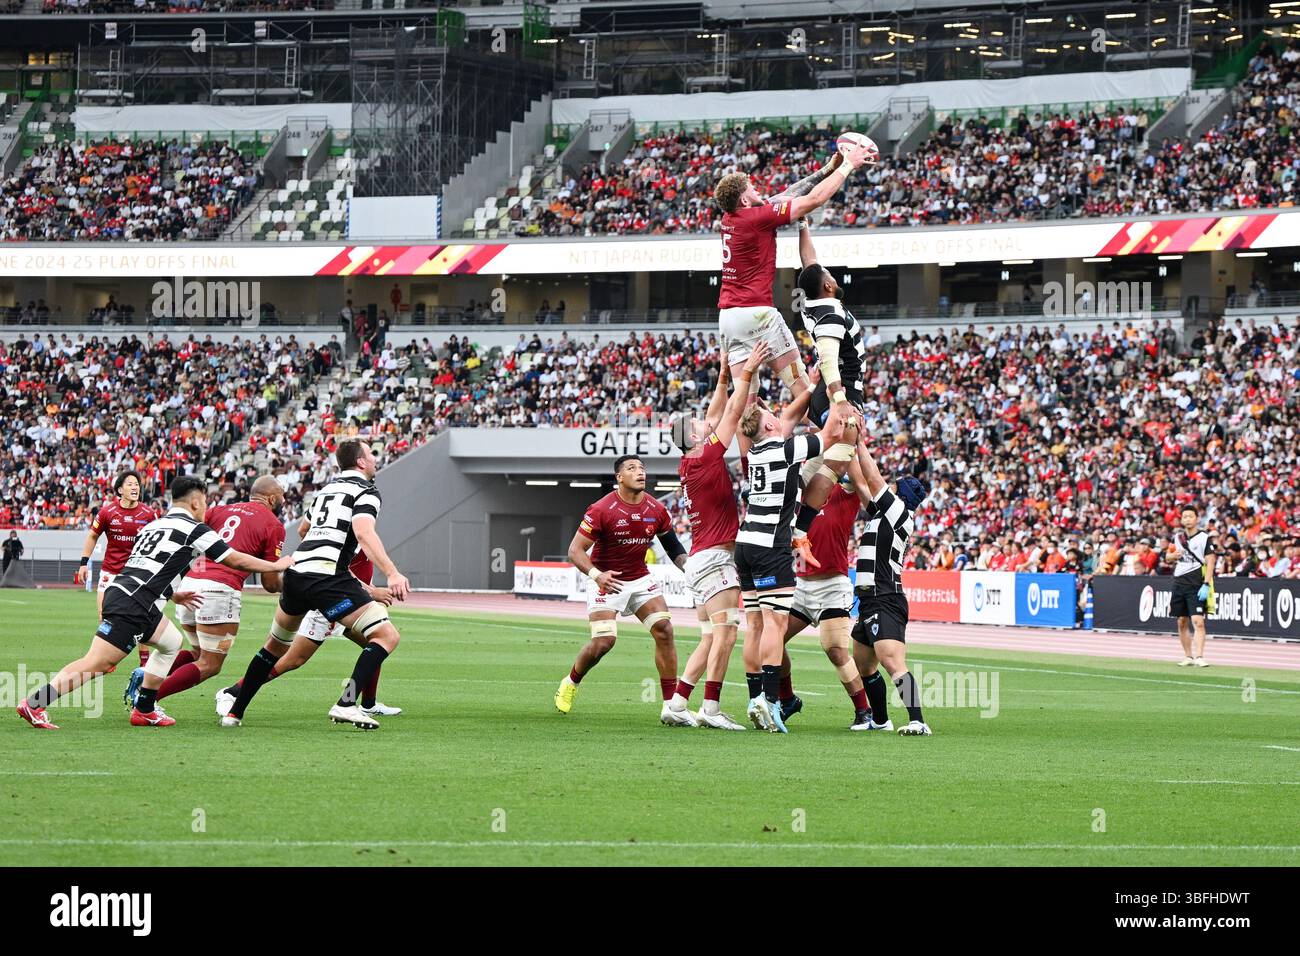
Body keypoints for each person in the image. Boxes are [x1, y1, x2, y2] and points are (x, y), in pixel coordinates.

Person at [15, 476, 292, 730]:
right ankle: (36, 703)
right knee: (97, 663)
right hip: (134, 603)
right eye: (205, 501)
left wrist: (175, 595)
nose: (205, 506)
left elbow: (150, 568)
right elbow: (235, 559)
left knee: (171, 642)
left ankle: (145, 708)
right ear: (195, 502)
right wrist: (276, 564)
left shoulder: (154, 524)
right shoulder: (194, 529)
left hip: (134, 597)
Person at [221, 438, 411, 729]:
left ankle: (234, 712)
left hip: (297, 574)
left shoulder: (326, 490)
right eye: (371, 454)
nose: (375, 458)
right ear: (361, 462)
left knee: (273, 647)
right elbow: (363, 532)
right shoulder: (366, 491)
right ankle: (347, 703)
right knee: (386, 637)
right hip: (328, 578)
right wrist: (393, 573)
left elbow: (303, 528)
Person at [713, 137, 876, 397]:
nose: (758, 190)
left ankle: (764, 437)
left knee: (746, 400)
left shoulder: (732, 216)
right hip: (757, 313)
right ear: (744, 201)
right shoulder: (756, 218)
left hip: (729, 319)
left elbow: (788, 194)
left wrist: (826, 170)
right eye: (751, 188)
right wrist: (848, 166)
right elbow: (813, 200)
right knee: (802, 389)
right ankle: (824, 433)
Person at [664, 343, 767, 731]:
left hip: (701, 558)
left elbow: (715, 412)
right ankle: (710, 708)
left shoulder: (690, 458)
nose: (705, 422)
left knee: (709, 636)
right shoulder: (706, 455)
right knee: (727, 632)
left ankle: (676, 704)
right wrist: (747, 372)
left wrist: (724, 374)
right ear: (693, 437)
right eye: (698, 425)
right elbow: (733, 412)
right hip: (716, 558)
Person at [735, 385, 845, 732]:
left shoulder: (755, 453)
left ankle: (755, 698)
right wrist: (838, 403)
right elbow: (830, 435)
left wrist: (810, 386)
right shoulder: (785, 450)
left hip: (746, 543)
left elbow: (786, 418)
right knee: (774, 625)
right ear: (769, 428)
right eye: (772, 416)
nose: (778, 417)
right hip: (771, 547)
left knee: (753, 626)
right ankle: (769, 700)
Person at [126, 475, 288, 708]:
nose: (283, 500)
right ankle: (146, 700)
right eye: (282, 496)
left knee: (196, 652)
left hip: (189, 586)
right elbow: (270, 584)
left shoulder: (218, 510)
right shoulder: (273, 524)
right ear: (272, 498)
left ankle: (145, 673)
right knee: (210, 664)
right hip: (219, 591)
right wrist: (293, 584)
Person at [556, 455, 691, 725]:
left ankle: (671, 707)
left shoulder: (656, 509)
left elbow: (674, 549)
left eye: (642, 468)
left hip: (639, 578)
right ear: (619, 477)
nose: (639, 472)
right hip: (605, 578)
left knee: (664, 630)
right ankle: (571, 681)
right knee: (604, 642)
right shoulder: (602, 509)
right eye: (631, 469)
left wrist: (693, 571)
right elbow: (575, 550)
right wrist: (597, 575)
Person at [789, 214, 867, 569]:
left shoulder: (810, 304)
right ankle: (800, 526)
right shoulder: (832, 315)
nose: (834, 277)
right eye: (832, 277)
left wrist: (803, 225)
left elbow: (810, 261)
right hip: (842, 394)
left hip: (826, 394)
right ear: (829, 287)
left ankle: (787, 494)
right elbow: (829, 360)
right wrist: (841, 403)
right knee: (840, 464)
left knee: (840, 460)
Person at [848, 439, 933, 736]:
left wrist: (858, 444)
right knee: (863, 663)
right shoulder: (885, 513)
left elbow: (871, 477)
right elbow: (861, 484)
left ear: (902, 494)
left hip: (886, 596)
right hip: (870, 598)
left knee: (892, 660)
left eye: (895, 486)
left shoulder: (898, 513)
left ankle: (918, 720)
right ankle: (881, 720)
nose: (890, 487)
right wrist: (842, 445)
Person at [783, 466, 872, 730]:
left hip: (832, 585)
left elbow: (858, 475)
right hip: (801, 585)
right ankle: (787, 699)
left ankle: (864, 711)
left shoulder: (842, 491)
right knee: (772, 641)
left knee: (835, 650)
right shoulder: (794, 496)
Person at [73, 470, 160, 663]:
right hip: (110, 573)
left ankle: (144, 662)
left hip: (137, 575)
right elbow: (92, 536)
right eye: (130, 484)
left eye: (136, 483)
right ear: (120, 489)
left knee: (141, 618)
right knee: (104, 616)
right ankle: (103, 658)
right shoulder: (107, 512)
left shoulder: (150, 514)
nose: (135, 487)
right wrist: (83, 564)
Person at [1166, 507, 1216, 668]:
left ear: (1196, 519)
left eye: (1190, 516)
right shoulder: (1177, 538)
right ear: (1181, 520)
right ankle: (1188, 656)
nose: (1187, 519)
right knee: (1181, 621)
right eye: (1185, 516)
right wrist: (1172, 556)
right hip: (1179, 582)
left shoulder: (1203, 538)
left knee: (1198, 621)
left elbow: (1211, 561)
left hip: (1196, 584)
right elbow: (1167, 557)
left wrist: (1206, 584)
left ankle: (1200, 656)